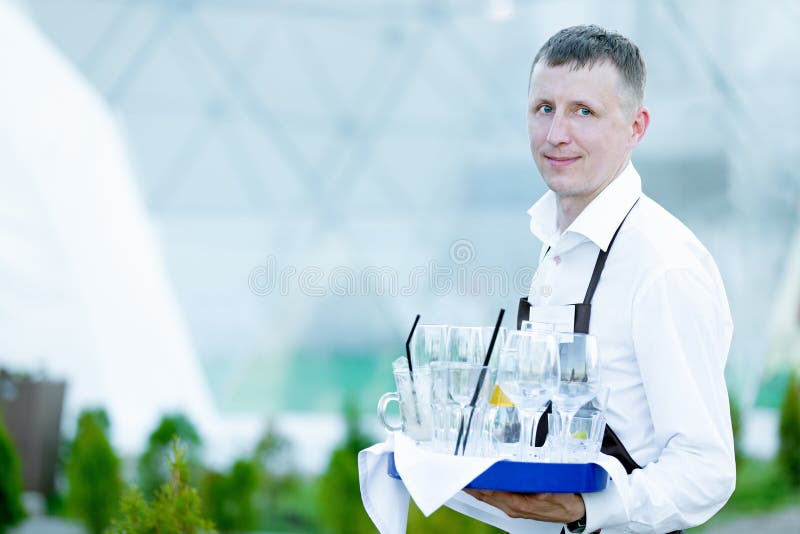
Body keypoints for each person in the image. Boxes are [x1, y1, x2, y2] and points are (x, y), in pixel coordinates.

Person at [466, 25, 735, 533]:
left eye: (583, 112)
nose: (556, 134)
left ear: (636, 127)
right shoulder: (555, 243)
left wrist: (588, 509)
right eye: (544, 108)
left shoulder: (662, 264)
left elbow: (707, 470)